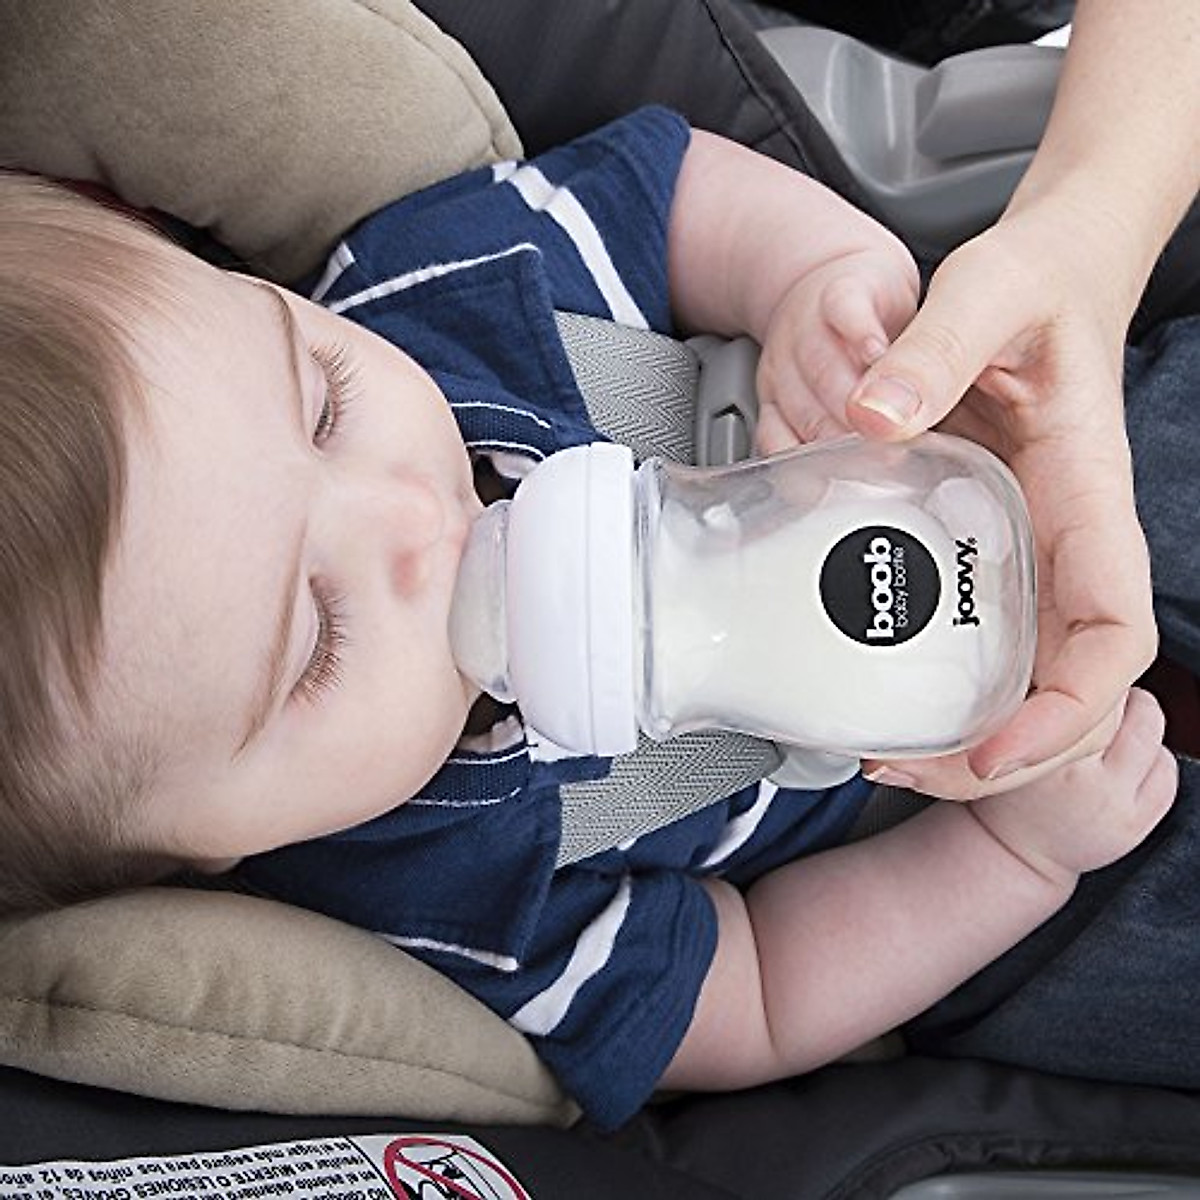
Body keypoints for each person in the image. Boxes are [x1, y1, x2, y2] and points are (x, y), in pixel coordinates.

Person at [0, 109, 1181, 1132]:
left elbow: (672, 191)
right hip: (914, 823)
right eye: (317, 638)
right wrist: (1011, 858)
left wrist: (815, 278)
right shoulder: (433, 891)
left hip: (955, 449)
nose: (415, 519)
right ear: (205, 851)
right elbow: (759, 990)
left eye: (322, 406)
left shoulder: (445, 293)